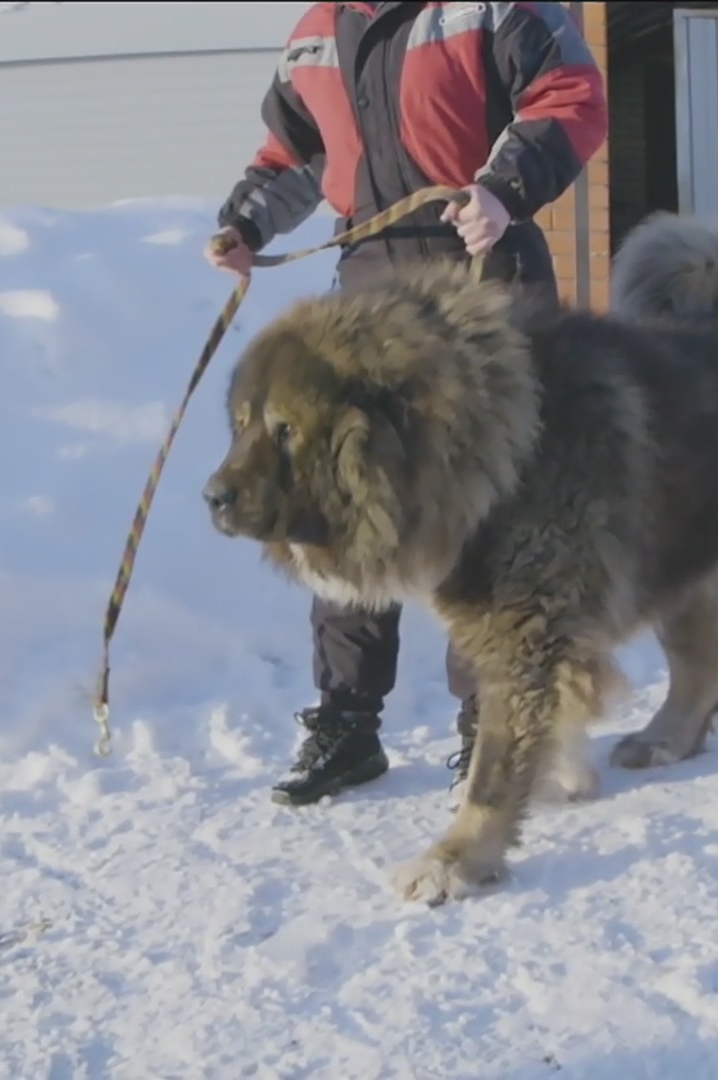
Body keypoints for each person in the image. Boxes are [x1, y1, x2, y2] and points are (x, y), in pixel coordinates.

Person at [207, 0, 609, 807]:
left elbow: (571, 94)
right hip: (365, 293)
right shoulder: (319, 29)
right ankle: (347, 722)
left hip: (483, 273)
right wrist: (247, 222)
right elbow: (295, 151)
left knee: (489, 510)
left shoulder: (493, 8)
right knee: (338, 498)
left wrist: (502, 190)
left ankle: (488, 720)